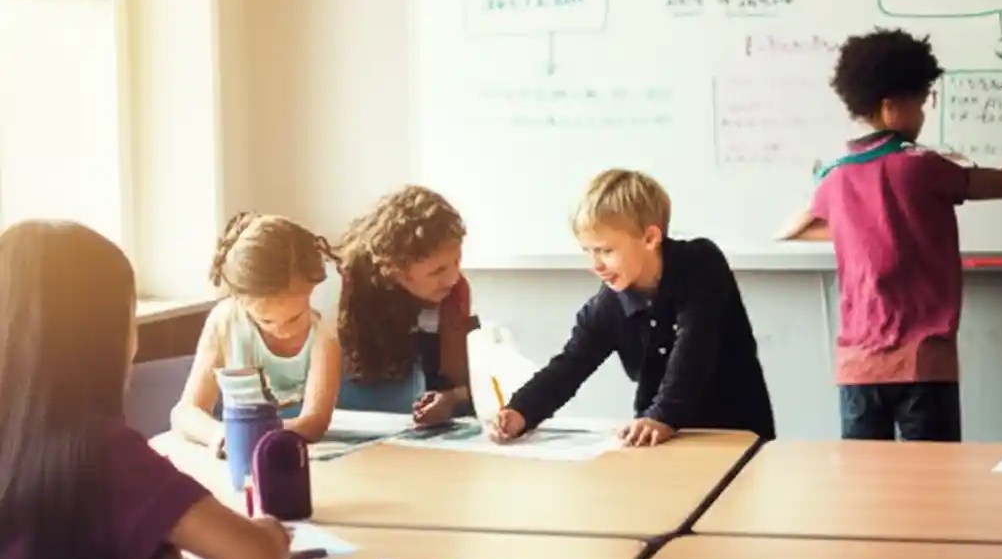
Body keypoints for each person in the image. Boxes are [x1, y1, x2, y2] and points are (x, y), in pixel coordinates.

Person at [780, 28, 1002, 441]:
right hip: (925, 362)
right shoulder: (921, 166)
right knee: (936, 481)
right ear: (891, 107)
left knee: (864, 488)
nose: (924, 114)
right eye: (920, 103)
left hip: (857, 366)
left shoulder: (833, 178)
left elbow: (799, 229)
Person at [0, 220, 290, 559]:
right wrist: (272, 531)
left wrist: (157, 556)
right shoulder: (102, 453)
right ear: (104, 337)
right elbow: (255, 558)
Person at [489, 169, 776, 446]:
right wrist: (521, 411)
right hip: (661, 438)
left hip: (735, 434)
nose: (596, 265)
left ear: (650, 238)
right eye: (587, 251)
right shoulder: (608, 305)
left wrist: (662, 415)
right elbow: (570, 364)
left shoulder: (700, 264)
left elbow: (694, 348)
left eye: (605, 250)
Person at [171, 212, 342, 448]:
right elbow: (186, 412)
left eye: (294, 318)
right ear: (239, 299)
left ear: (312, 290)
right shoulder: (225, 321)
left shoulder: (323, 329)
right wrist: (219, 435)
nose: (282, 330)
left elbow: (313, 423)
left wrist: (251, 435)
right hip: (234, 451)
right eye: (266, 321)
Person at [335, 185, 479, 423]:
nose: (453, 277)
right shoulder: (345, 288)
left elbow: (461, 383)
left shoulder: (454, 291)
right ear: (394, 269)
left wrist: (451, 399)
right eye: (437, 271)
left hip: (417, 415)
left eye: (457, 260)